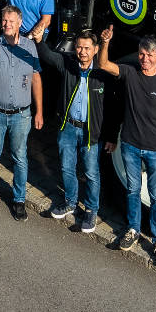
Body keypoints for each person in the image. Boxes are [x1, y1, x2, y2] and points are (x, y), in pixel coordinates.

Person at [96, 30, 156, 265]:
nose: (145, 58)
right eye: (142, 54)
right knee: (132, 190)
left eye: (150, 55)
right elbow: (103, 63)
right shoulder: (130, 73)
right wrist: (105, 42)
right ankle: (132, 230)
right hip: (130, 146)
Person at [37, 28, 107, 232]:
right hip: (68, 126)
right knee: (67, 167)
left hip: (90, 131)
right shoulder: (68, 64)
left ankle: (92, 210)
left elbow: (112, 109)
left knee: (91, 173)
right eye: (79, 47)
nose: (82, 52)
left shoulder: (103, 74)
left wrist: (109, 135)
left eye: (87, 48)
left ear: (95, 50)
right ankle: (70, 202)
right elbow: (48, 55)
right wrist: (40, 41)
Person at [0, 6, 43, 221]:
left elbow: (35, 78)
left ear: (20, 23)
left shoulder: (30, 47)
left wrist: (39, 111)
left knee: (20, 158)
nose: (6, 24)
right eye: (4, 20)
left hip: (21, 115)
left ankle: (19, 200)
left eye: (11, 21)